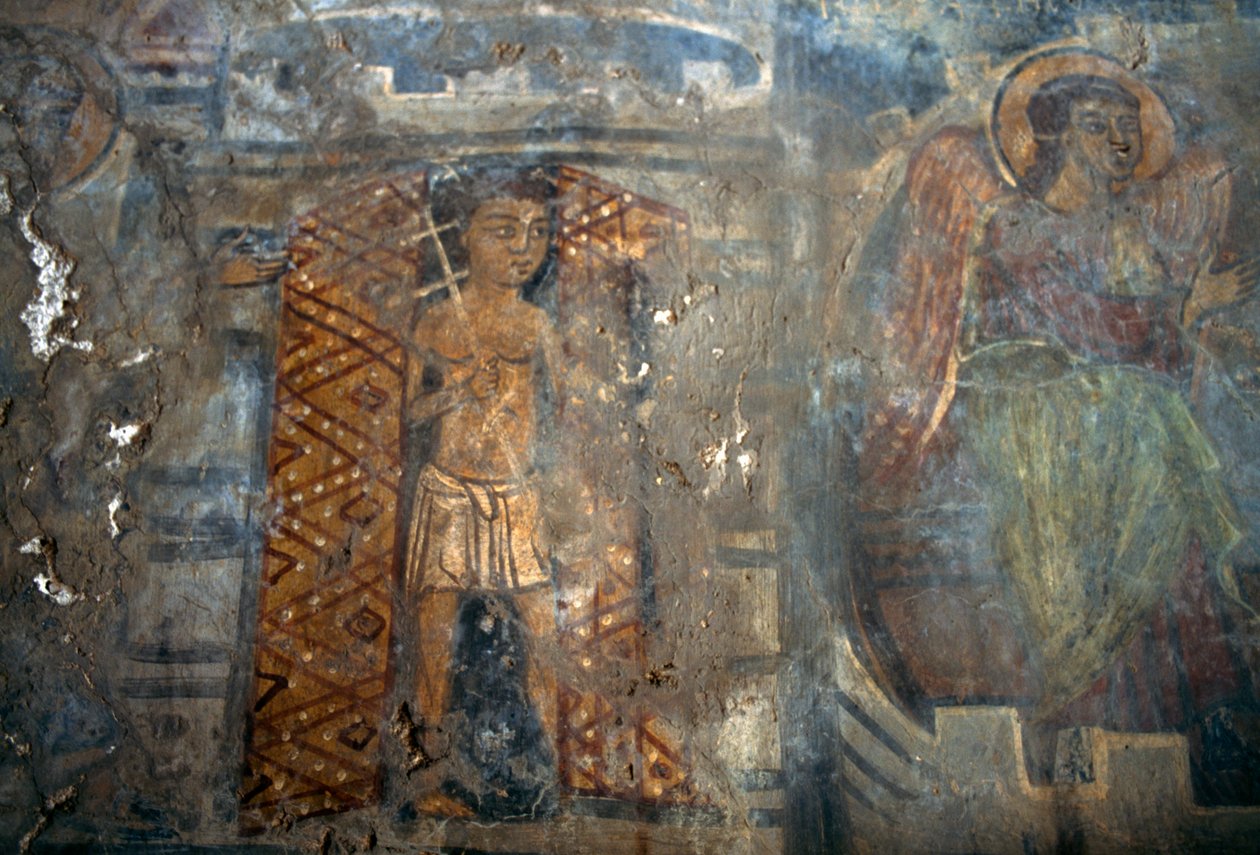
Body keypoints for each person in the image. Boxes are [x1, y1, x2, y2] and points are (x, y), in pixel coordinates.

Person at [857, 52, 1260, 802]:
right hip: (1024, 406)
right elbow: (1087, 325)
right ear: (1054, 137)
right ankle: (1109, 699)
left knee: (1157, 427)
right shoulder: (1015, 226)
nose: (1120, 142)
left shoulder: (1132, 235)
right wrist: (1185, 310)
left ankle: (1191, 710)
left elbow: (1152, 354)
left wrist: (1189, 322)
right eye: (1098, 125)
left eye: (1129, 127)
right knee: (1151, 423)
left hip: (1107, 414)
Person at [400, 168, 566, 819]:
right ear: (462, 236)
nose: (524, 247)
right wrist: (455, 393)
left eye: (536, 232)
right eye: (504, 230)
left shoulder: (535, 325)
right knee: (435, 639)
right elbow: (410, 412)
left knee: (543, 631)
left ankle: (554, 773)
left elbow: (569, 400)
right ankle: (432, 773)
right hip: (448, 496)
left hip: (516, 496)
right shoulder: (437, 320)